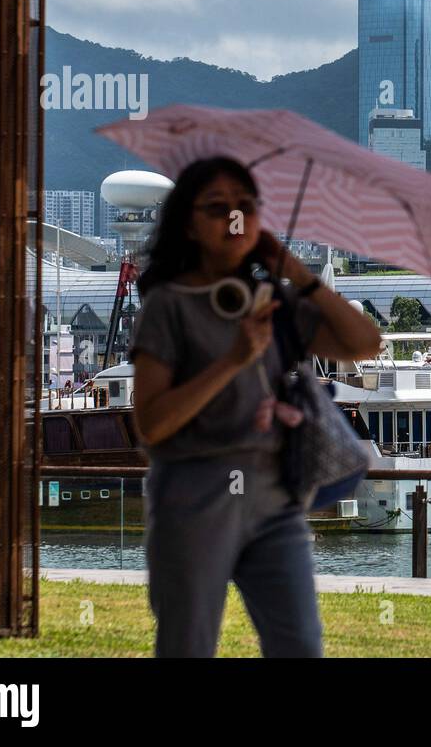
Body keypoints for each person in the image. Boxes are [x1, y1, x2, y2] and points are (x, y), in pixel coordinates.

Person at [130, 157, 381, 658]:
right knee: (187, 644)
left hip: (275, 497)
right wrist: (233, 359)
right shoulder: (168, 305)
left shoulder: (277, 302)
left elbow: (363, 343)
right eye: (217, 209)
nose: (235, 220)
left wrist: (296, 273)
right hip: (192, 496)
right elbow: (152, 424)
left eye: (247, 207)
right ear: (188, 223)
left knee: (299, 646)